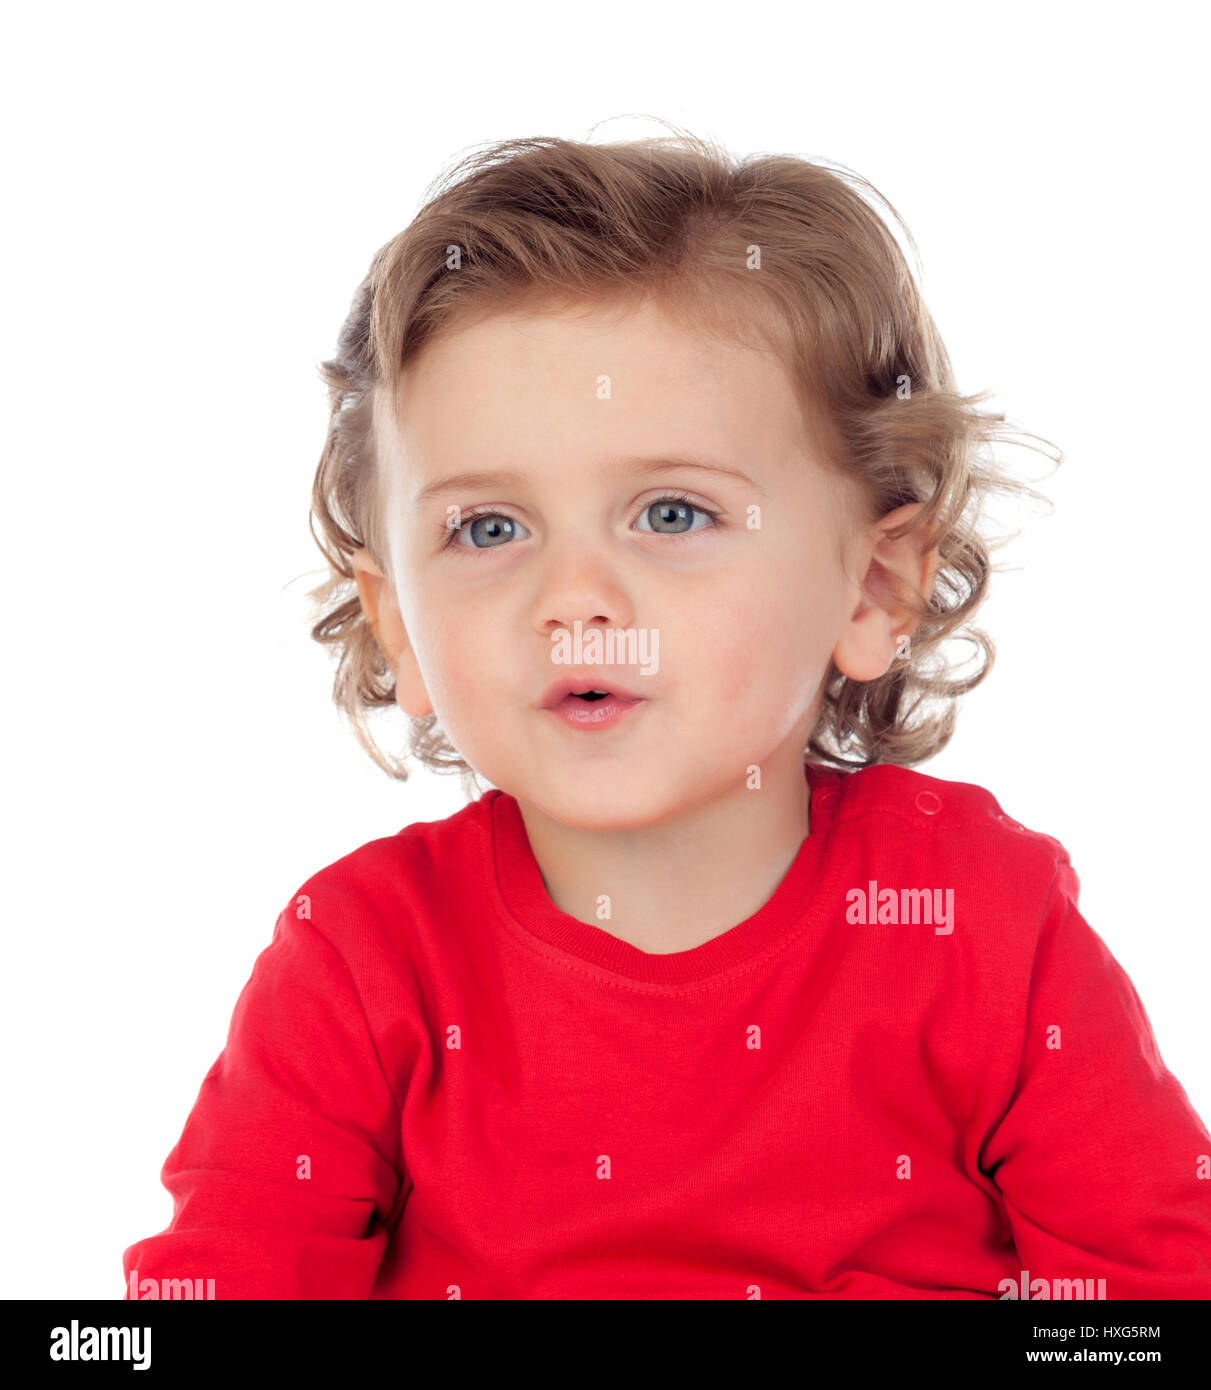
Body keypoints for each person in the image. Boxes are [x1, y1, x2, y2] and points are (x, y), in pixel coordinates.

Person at [122, 126, 1211, 1299]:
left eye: (673, 514)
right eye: (488, 529)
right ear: (399, 629)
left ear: (871, 585)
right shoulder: (360, 967)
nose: (574, 599)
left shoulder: (972, 921)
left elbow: (1152, 1287)